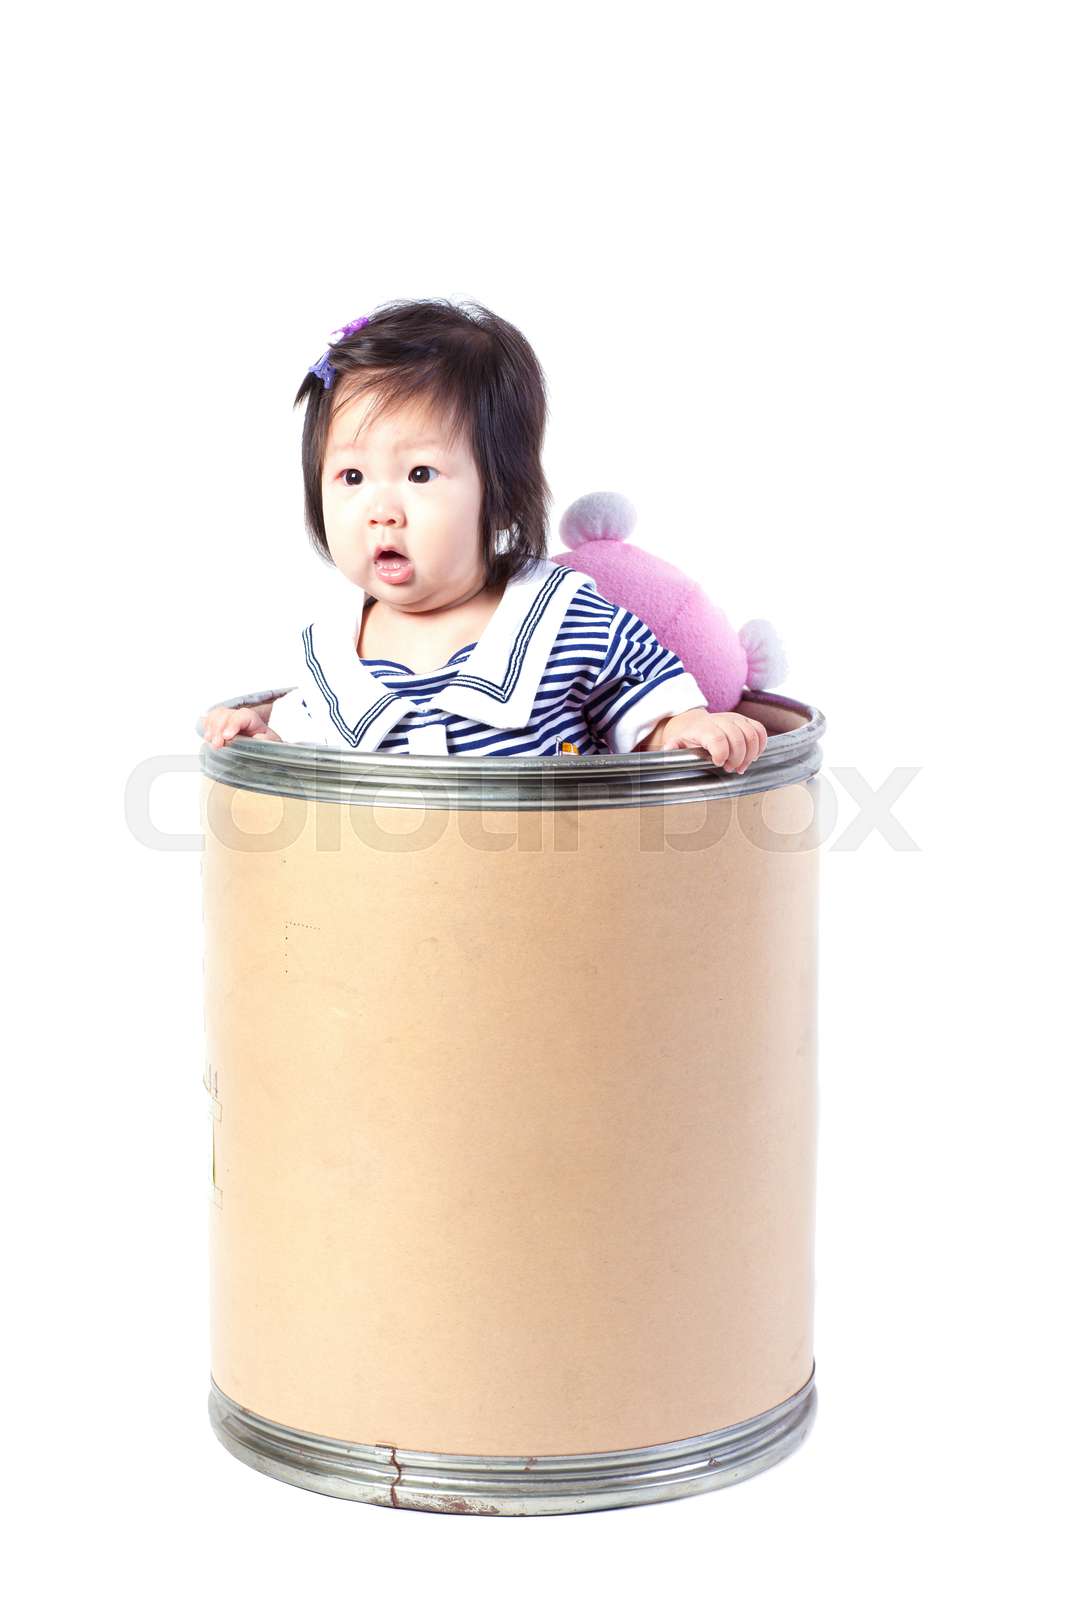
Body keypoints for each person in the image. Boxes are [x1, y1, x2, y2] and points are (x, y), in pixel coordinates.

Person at [201, 300, 768, 772]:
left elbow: (640, 701)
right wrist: (264, 746)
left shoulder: (557, 618)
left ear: (499, 494)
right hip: (384, 899)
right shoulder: (330, 656)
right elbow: (311, 777)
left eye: (420, 474)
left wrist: (685, 729)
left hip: (552, 888)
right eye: (351, 476)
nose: (381, 510)